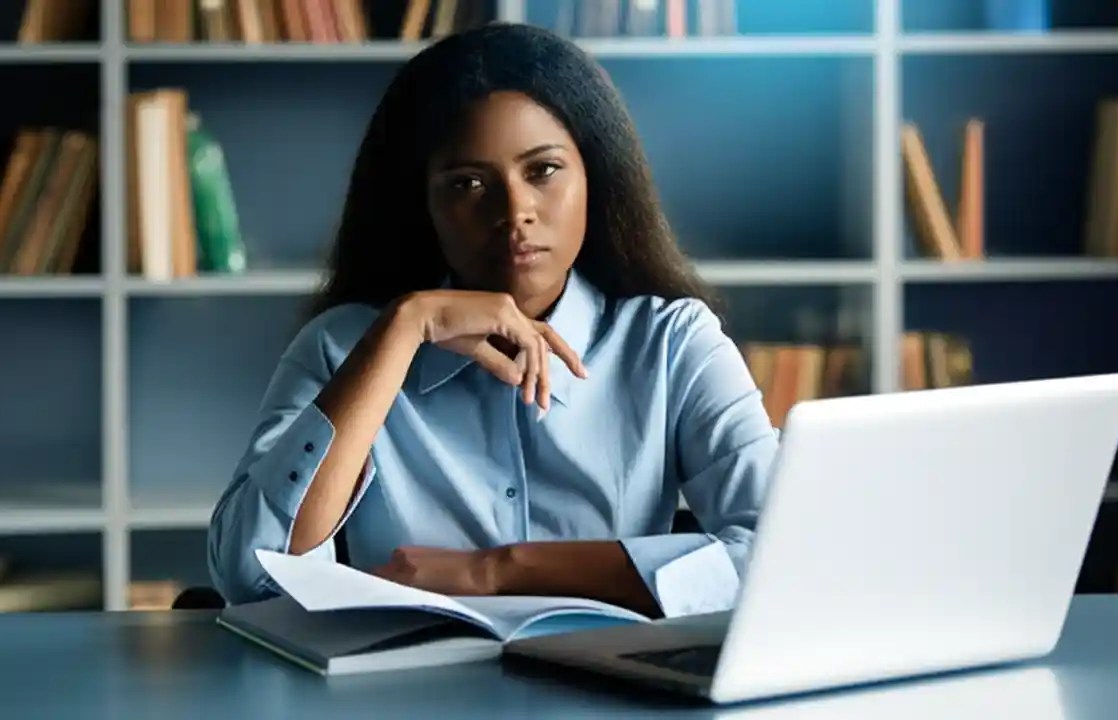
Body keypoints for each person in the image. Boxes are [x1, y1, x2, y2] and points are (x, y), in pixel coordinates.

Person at [207, 22, 778, 619]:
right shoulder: (343, 346)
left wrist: (497, 571)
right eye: (469, 184)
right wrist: (405, 328)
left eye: (543, 170)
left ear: (596, 178)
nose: (515, 212)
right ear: (421, 203)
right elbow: (252, 577)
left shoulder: (673, 343)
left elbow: (778, 558)